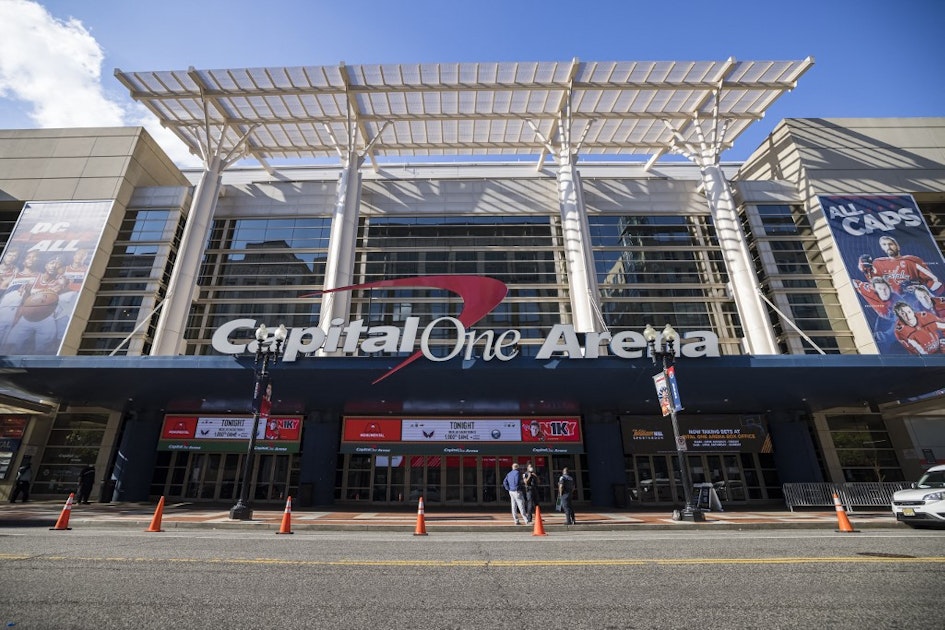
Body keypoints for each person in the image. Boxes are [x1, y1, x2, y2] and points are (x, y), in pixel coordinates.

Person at [859, 236, 943, 294]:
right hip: (897, 302)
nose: (888, 247)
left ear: (898, 246)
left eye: (890, 244)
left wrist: (924, 290)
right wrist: (865, 270)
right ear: (882, 248)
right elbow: (875, 284)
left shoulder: (911, 260)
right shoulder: (878, 263)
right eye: (884, 245)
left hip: (917, 298)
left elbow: (934, 281)